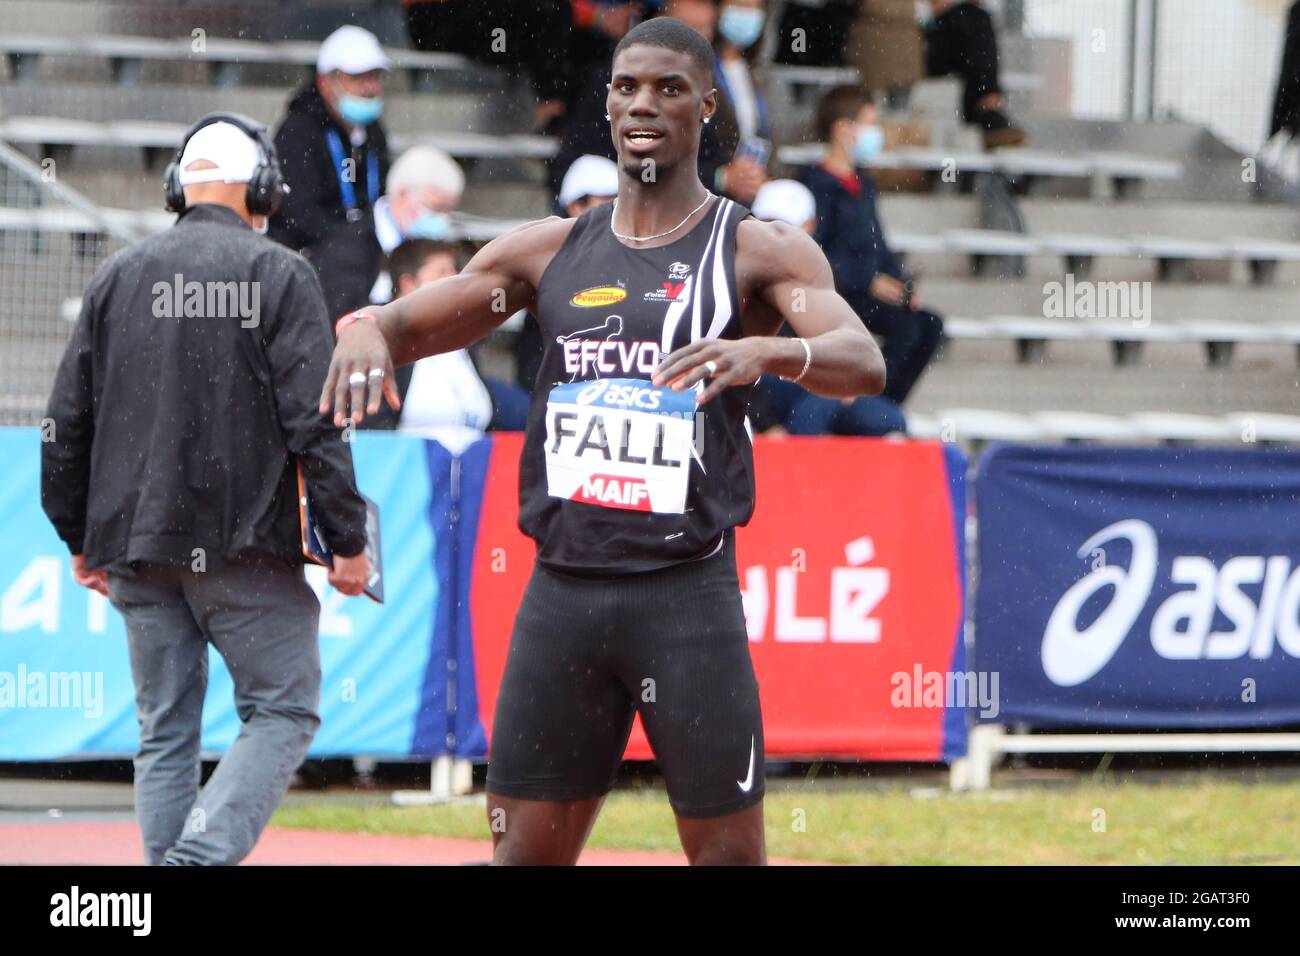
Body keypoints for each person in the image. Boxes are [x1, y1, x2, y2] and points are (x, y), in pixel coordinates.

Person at [319, 17, 885, 865]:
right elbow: (408, 322)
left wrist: (768, 348)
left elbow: (861, 361)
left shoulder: (755, 251)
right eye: (625, 87)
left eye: (665, 87)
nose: (641, 104)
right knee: (524, 859)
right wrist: (366, 326)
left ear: (705, 104)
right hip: (564, 598)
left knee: (730, 860)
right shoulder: (548, 251)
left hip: (686, 597)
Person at [40, 114, 371, 866]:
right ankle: (198, 860)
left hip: (137, 547)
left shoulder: (116, 275)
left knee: (165, 730)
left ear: (176, 189)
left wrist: (78, 538)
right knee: (284, 705)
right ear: (262, 189)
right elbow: (317, 425)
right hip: (243, 548)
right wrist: (347, 538)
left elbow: (64, 423)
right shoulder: (281, 273)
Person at [802, 86, 943, 409]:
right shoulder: (816, 184)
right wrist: (866, 279)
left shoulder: (864, 183)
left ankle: (887, 405)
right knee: (905, 329)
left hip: (868, 289)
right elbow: (812, 254)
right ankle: (867, 405)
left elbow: (879, 243)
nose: (875, 132)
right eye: (869, 123)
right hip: (840, 293)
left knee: (929, 324)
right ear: (842, 128)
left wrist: (901, 283)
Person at [750, 179, 906, 435]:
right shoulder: (743, 275)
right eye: (767, 226)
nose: (774, 238)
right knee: (824, 396)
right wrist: (767, 423)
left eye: (783, 227)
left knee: (892, 420)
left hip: (805, 375)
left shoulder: (816, 275)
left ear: (809, 227)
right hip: (769, 379)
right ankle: (796, 462)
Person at [268, 25, 392, 319]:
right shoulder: (297, 131)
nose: (369, 87)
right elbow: (299, 213)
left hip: (363, 258)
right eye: (358, 78)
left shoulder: (374, 133)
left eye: (374, 77)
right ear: (326, 83)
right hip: (312, 261)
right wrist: (354, 237)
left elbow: (380, 193)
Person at [385, 238, 531, 441]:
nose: (454, 278)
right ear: (408, 284)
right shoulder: (385, 346)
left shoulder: (463, 341)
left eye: (454, 270)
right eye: (442, 272)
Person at [922, 0, 1026, 148]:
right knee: (975, 20)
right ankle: (985, 106)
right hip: (917, 37)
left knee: (976, 23)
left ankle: (985, 104)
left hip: (932, 33)